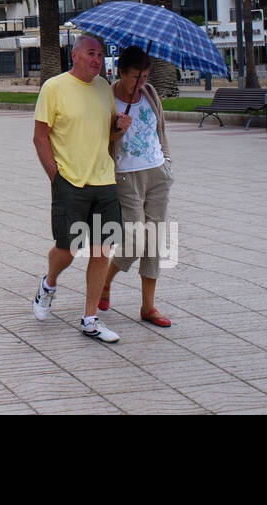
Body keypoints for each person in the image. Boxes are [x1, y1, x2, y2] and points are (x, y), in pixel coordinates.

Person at [31, 34, 131, 344]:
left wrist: (119, 128)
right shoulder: (54, 88)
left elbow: (108, 137)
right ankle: (48, 284)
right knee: (68, 250)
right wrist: (56, 178)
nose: (97, 59)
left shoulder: (104, 89)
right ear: (74, 56)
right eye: (91, 53)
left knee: (102, 251)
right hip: (70, 183)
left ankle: (90, 319)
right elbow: (40, 137)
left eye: (100, 54)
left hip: (104, 182)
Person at [102, 46, 174, 327]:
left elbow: (161, 130)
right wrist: (116, 129)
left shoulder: (150, 93)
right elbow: (100, 138)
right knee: (134, 240)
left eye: (145, 75)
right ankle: (106, 283)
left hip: (157, 173)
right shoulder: (107, 98)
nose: (140, 82)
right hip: (126, 176)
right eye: (135, 76)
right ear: (120, 73)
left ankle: (148, 306)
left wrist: (166, 162)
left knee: (153, 240)